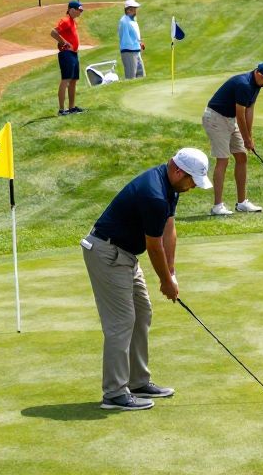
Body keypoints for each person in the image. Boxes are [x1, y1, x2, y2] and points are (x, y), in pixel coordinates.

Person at [82, 147, 212, 410]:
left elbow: (168, 229)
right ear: (178, 171)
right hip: (107, 253)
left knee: (141, 313)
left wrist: (172, 274)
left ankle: (137, 381)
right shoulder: (154, 194)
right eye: (191, 181)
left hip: (125, 255)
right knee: (122, 321)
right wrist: (165, 282)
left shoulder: (171, 187)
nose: (193, 188)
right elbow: (154, 246)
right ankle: (115, 393)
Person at [202, 63, 263, 216]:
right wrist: (246, 138)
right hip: (215, 118)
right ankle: (217, 206)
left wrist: (250, 137)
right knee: (223, 160)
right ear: (259, 75)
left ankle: (242, 203)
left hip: (229, 119)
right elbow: (240, 115)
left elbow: (250, 110)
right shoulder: (244, 84)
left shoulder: (257, 85)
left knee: (242, 157)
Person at [50, 0, 86, 116]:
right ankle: (61, 110)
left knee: (74, 81)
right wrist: (63, 42)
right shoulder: (65, 20)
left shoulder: (72, 21)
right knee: (65, 80)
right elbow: (53, 32)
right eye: (78, 10)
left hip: (73, 54)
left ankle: (71, 107)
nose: (80, 12)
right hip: (66, 54)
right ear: (71, 10)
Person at [118, 0, 145, 80]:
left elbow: (134, 34)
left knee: (141, 75)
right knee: (131, 77)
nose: (135, 11)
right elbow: (125, 37)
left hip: (136, 50)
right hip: (129, 52)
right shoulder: (124, 21)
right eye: (133, 9)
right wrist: (136, 44)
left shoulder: (132, 20)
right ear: (128, 10)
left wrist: (139, 43)